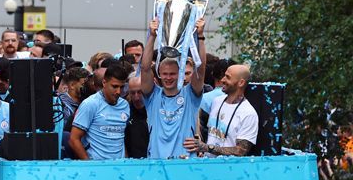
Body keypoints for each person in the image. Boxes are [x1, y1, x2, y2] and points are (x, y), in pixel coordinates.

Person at [140, 17, 206, 159]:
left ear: (180, 74)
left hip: (184, 161)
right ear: (159, 74)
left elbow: (200, 69)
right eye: (165, 74)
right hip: (157, 161)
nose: (168, 77)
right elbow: (145, 68)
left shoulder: (190, 95)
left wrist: (200, 37)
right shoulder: (152, 97)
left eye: (173, 74)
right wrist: (152, 36)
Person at [183, 64, 259, 157]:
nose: (222, 80)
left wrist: (207, 148)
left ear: (241, 83)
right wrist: (202, 152)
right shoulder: (217, 101)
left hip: (228, 169)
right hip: (207, 165)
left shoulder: (248, 113)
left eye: (228, 77)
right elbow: (212, 135)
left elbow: (241, 151)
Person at [69, 62, 131, 160]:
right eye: (114, 86)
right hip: (97, 166)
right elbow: (73, 139)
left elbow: (120, 138)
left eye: (122, 87)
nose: (118, 91)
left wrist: (125, 161)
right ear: (104, 83)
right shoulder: (90, 104)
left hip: (119, 167)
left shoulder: (125, 105)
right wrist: (90, 164)